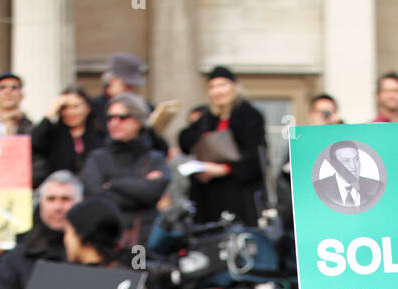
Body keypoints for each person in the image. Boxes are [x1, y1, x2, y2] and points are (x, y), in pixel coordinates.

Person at [0, 170, 81, 289]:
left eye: (66, 199)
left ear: (80, 203)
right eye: (51, 199)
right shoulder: (16, 259)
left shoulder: (91, 257)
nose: (58, 207)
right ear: (41, 203)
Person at [177, 67, 267, 227]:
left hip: (238, 193)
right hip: (208, 196)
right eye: (212, 87)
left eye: (222, 85)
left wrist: (223, 169)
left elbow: (255, 159)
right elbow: (184, 139)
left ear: (234, 86)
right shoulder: (207, 118)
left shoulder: (249, 116)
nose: (218, 91)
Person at [81, 94, 169, 241]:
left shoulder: (154, 158)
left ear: (138, 121)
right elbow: (96, 196)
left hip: (142, 242)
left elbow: (152, 192)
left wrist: (113, 185)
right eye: (110, 118)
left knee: (139, 264)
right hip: (106, 241)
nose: (114, 123)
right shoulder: (97, 158)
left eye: (122, 117)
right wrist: (139, 188)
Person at [30, 86, 104, 187]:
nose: (70, 112)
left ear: (88, 108)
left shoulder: (99, 134)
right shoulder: (52, 134)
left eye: (75, 107)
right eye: (65, 108)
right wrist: (49, 114)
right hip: (59, 190)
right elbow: (31, 144)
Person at [0, 72, 32, 137]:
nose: (8, 91)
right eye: (2, 87)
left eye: (14, 87)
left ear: (21, 96)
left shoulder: (31, 128)